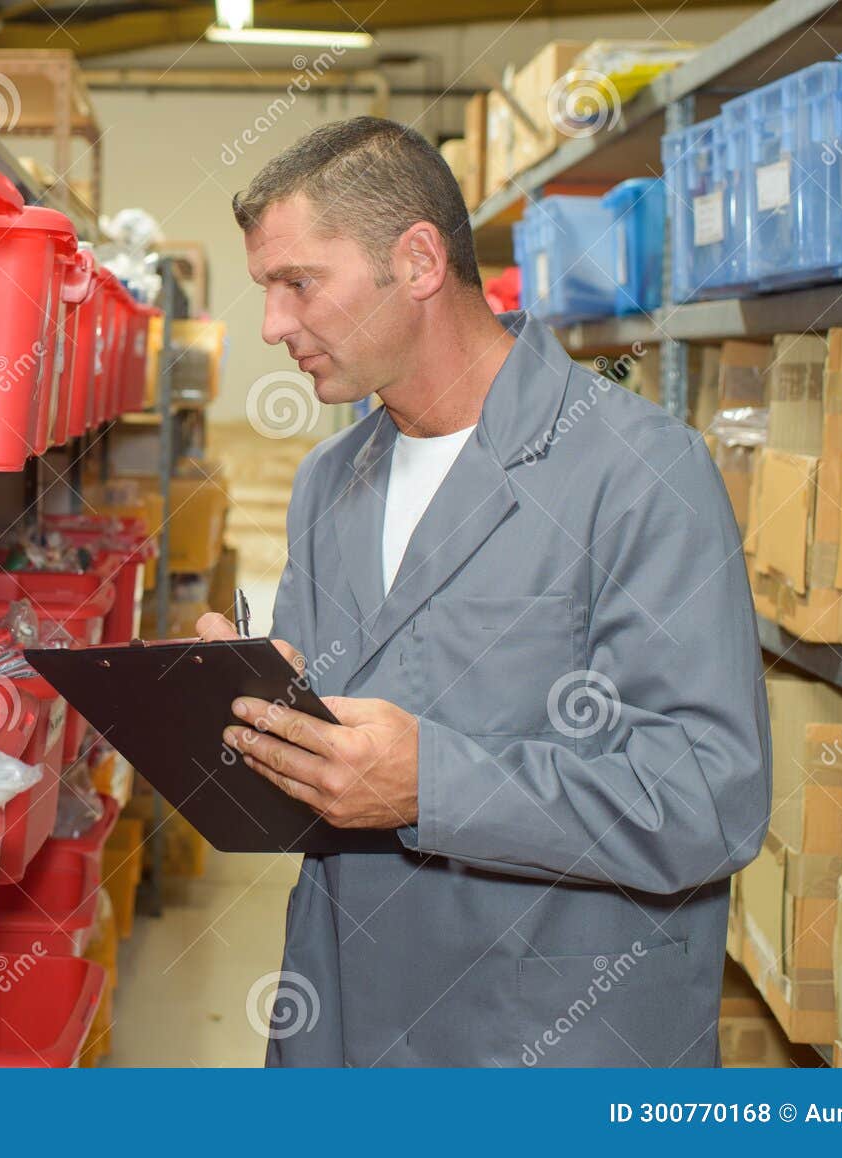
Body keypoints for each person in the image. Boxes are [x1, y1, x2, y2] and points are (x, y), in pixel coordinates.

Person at [196, 117, 770, 1067]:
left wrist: (433, 783)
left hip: (546, 1042)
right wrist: (252, 706)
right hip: (342, 1023)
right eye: (268, 289)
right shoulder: (327, 484)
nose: (274, 326)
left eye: (299, 283)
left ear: (418, 261)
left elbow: (709, 799)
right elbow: (328, 764)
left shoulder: (637, 472)